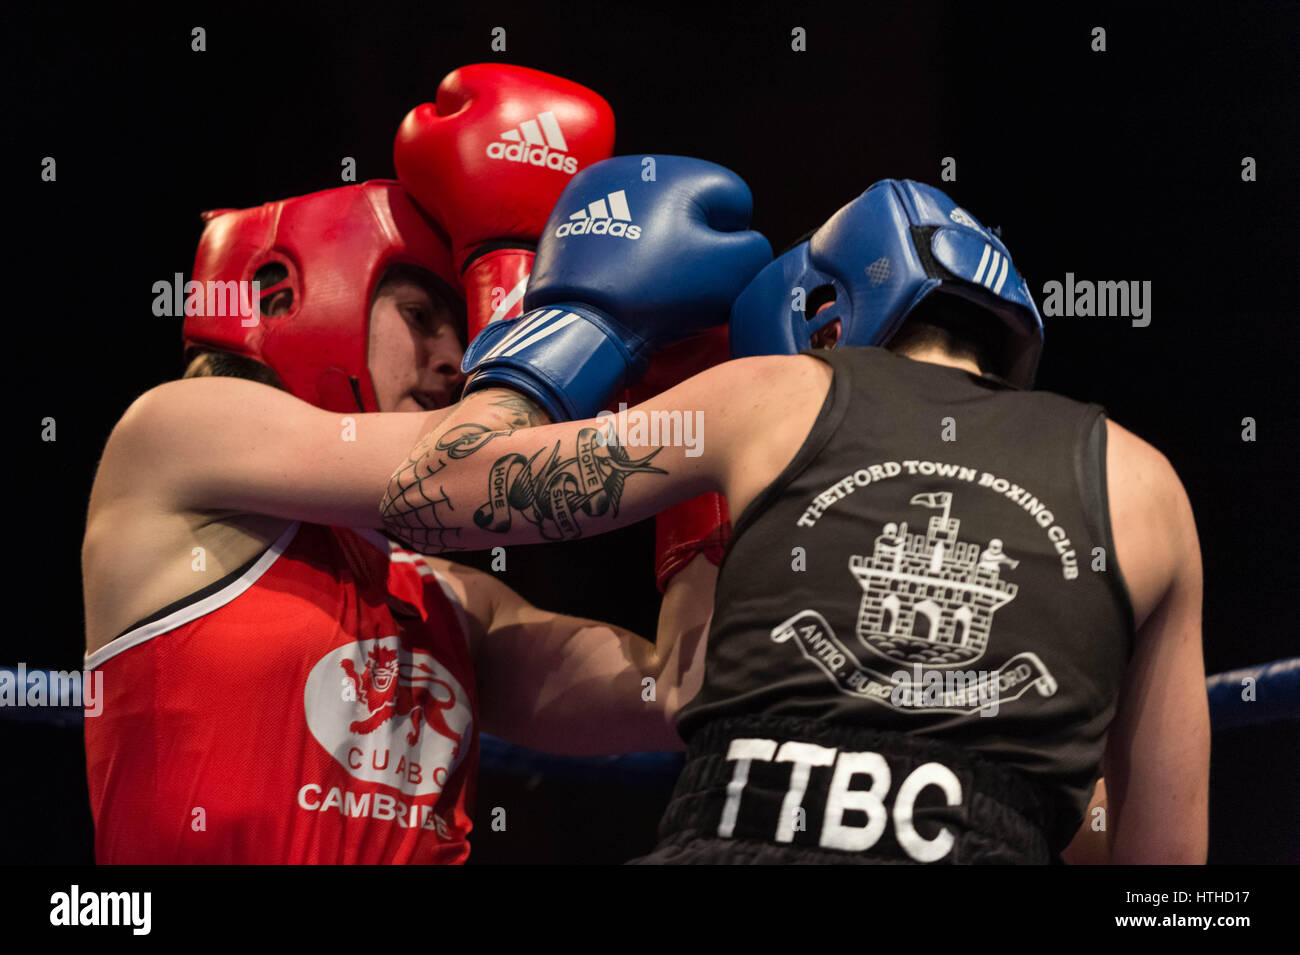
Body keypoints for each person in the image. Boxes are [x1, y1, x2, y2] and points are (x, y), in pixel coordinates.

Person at [378, 177, 1209, 864]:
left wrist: (568, 327)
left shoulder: (772, 396)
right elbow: (1172, 881)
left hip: (738, 829)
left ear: (822, 320)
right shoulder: (1145, 481)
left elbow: (441, 484)